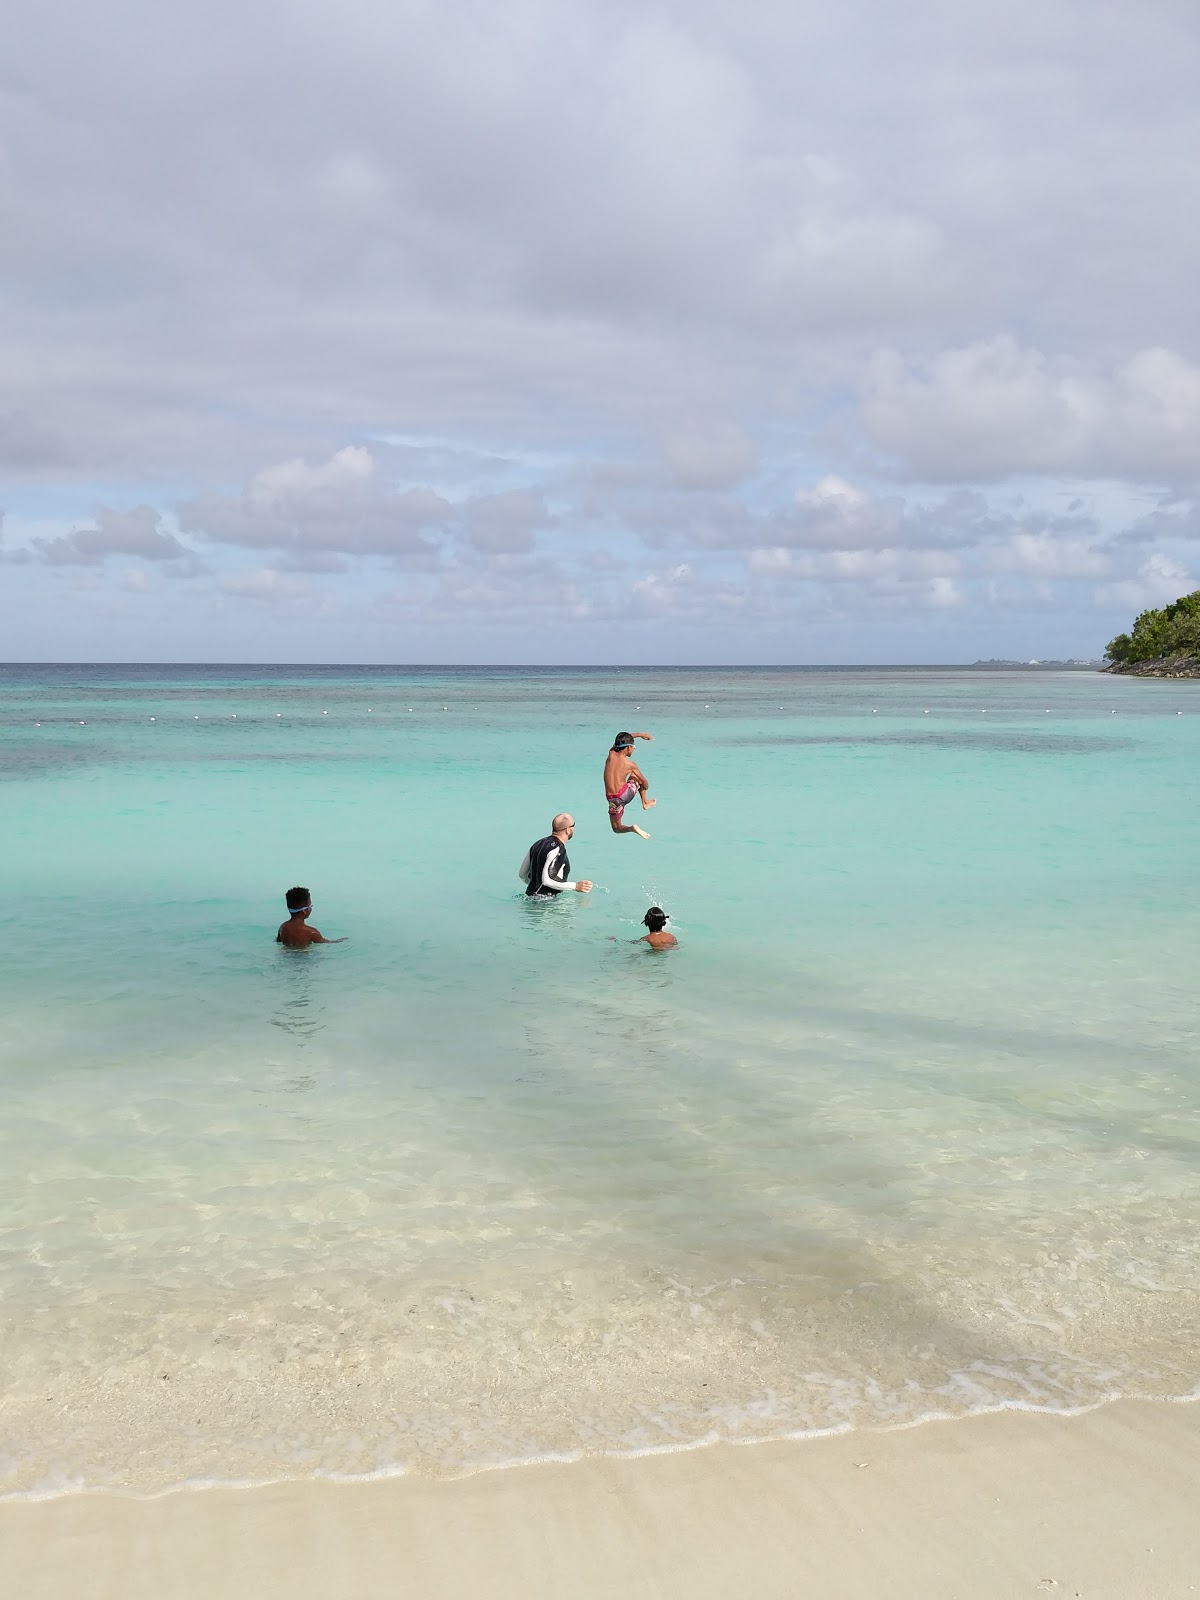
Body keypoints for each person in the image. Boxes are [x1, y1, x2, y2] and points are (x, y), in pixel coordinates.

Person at [519, 814, 594, 898]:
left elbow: (522, 874)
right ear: (568, 830)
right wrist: (575, 886)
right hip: (546, 901)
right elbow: (547, 880)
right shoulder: (558, 849)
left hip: (529, 895)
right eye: (573, 825)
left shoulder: (537, 844)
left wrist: (535, 887)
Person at [604, 730, 655, 838]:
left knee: (617, 828)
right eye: (634, 747)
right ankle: (645, 802)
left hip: (612, 799)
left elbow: (621, 740)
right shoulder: (630, 765)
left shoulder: (611, 754)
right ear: (628, 748)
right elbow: (645, 782)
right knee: (636, 777)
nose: (634, 749)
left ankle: (631, 828)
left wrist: (640, 735)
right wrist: (645, 787)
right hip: (624, 795)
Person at [276, 887, 347, 947]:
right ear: (304, 911)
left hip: (286, 955)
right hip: (304, 957)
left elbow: (277, 941)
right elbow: (325, 942)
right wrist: (340, 940)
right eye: (310, 906)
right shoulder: (312, 932)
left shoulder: (282, 927)